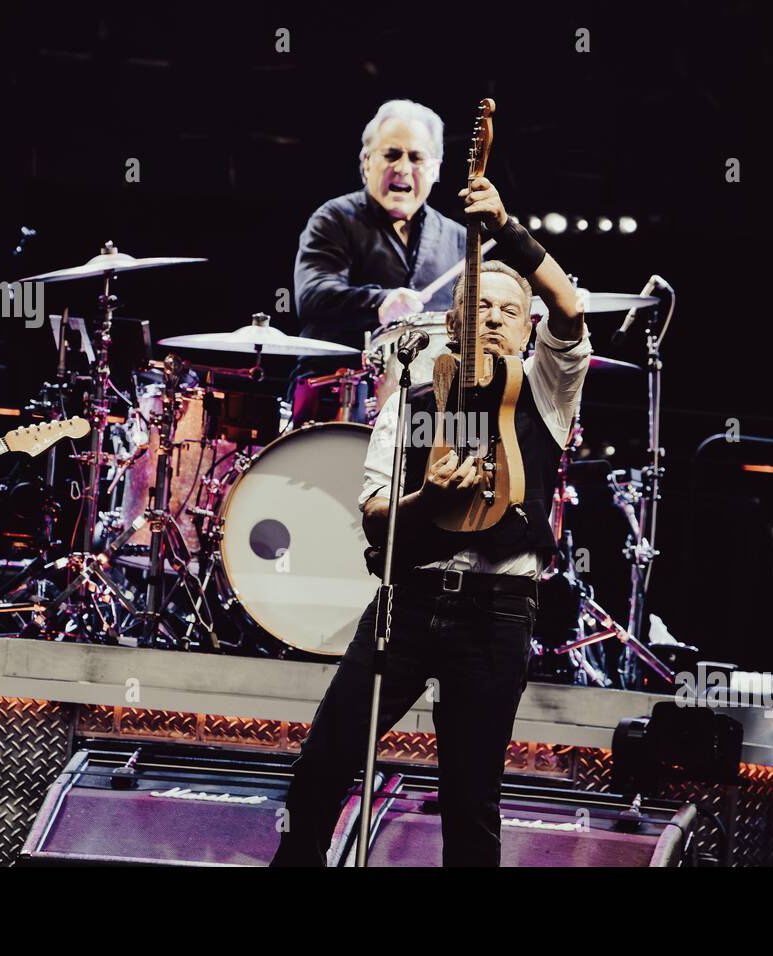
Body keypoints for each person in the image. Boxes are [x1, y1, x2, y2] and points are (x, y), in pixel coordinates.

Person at [271, 175, 591, 866]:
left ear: (528, 326)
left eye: (513, 309)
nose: (499, 318)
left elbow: (567, 303)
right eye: (484, 305)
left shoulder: (546, 388)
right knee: (323, 765)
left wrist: (507, 226)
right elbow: (377, 524)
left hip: (499, 610)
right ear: (455, 319)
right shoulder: (411, 402)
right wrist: (431, 503)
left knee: (471, 798)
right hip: (408, 606)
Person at [292, 99, 467, 350]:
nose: (403, 168)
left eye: (416, 157)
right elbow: (313, 296)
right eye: (391, 155)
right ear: (366, 161)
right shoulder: (334, 218)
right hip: (337, 382)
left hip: (428, 385)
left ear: (435, 170)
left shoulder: (460, 239)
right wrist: (381, 302)